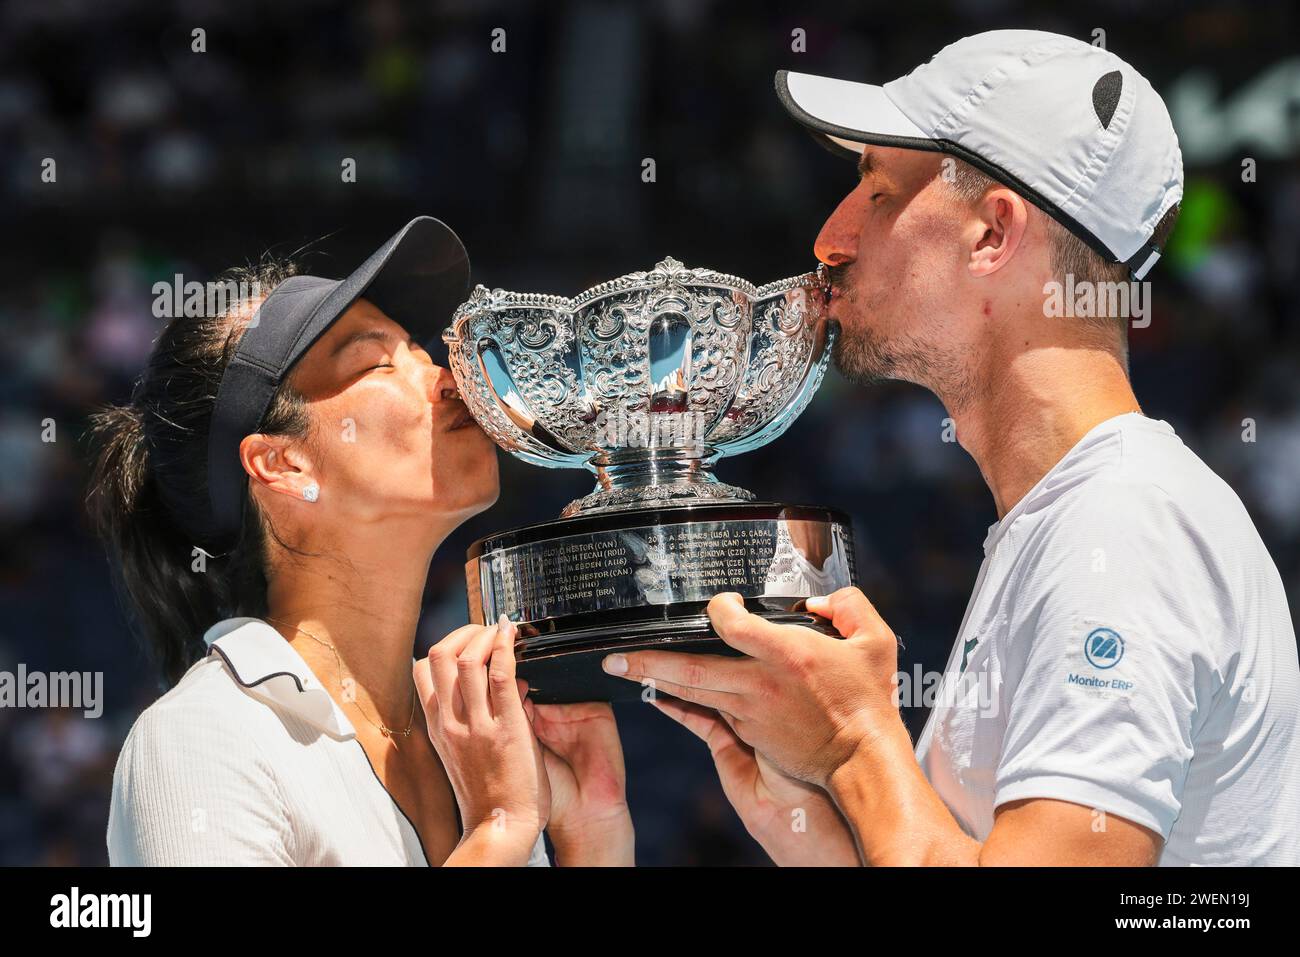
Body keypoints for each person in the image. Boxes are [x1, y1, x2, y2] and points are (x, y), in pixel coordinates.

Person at [601, 30, 1300, 865]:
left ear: (992, 235)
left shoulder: (1121, 529)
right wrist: (819, 824)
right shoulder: (1074, 520)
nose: (830, 236)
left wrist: (856, 747)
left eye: (877, 191)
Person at [89, 216, 633, 866]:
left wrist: (593, 834)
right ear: (282, 465)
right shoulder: (202, 737)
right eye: (378, 361)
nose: (451, 378)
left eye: (423, 353)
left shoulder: (477, 739)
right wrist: (497, 830)